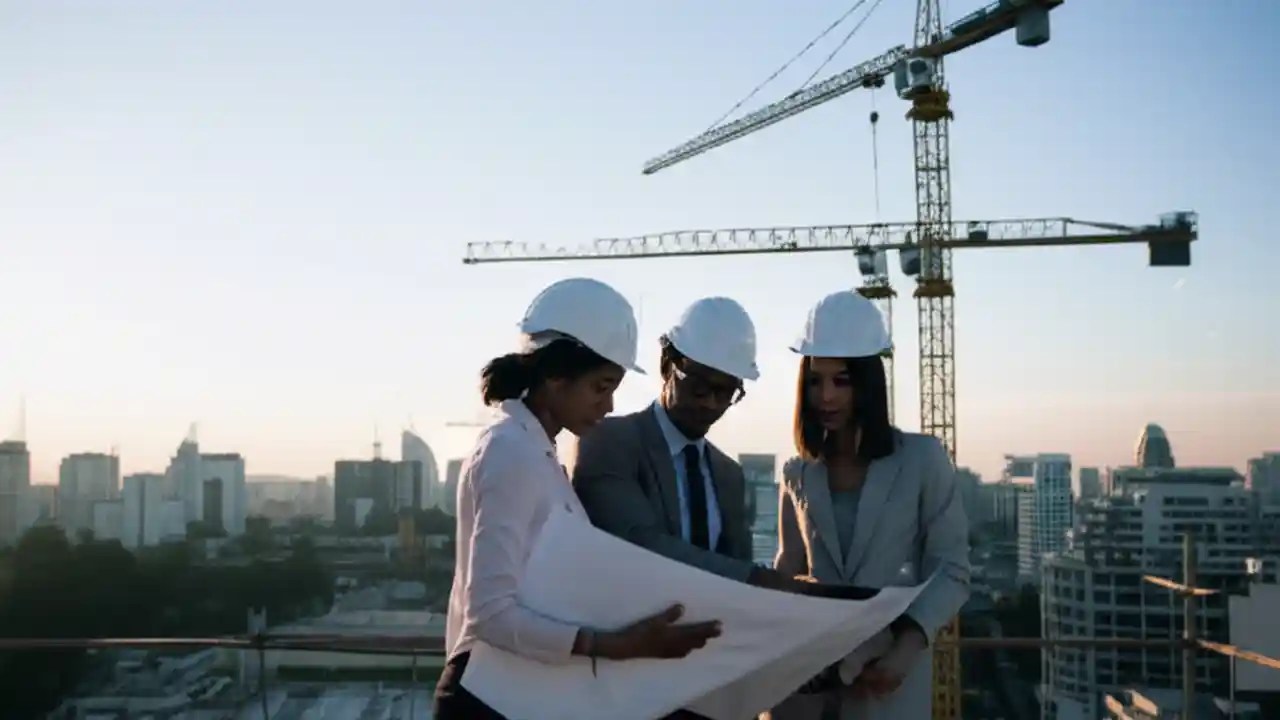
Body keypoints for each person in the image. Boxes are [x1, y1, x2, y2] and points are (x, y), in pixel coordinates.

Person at [435, 278, 724, 720]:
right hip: (487, 700)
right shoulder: (510, 451)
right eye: (601, 387)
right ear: (554, 376)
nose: (608, 406)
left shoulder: (538, 453)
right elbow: (489, 614)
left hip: (514, 696)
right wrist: (610, 646)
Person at [573, 296, 873, 598]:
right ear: (668, 365)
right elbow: (640, 546)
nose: (710, 403)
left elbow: (735, 577)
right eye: (700, 387)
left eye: (726, 392)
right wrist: (763, 580)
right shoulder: (609, 441)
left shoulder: (729, 475)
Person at [763, 290, 971, 720]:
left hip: (887, 686)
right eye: (816, 381)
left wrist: (907, 647)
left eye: (842, 380)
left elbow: (951, 569)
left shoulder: (922, 459)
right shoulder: (797, 472)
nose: (826, 397)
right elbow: (788, 570)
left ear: (868, 383)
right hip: (805, 690)